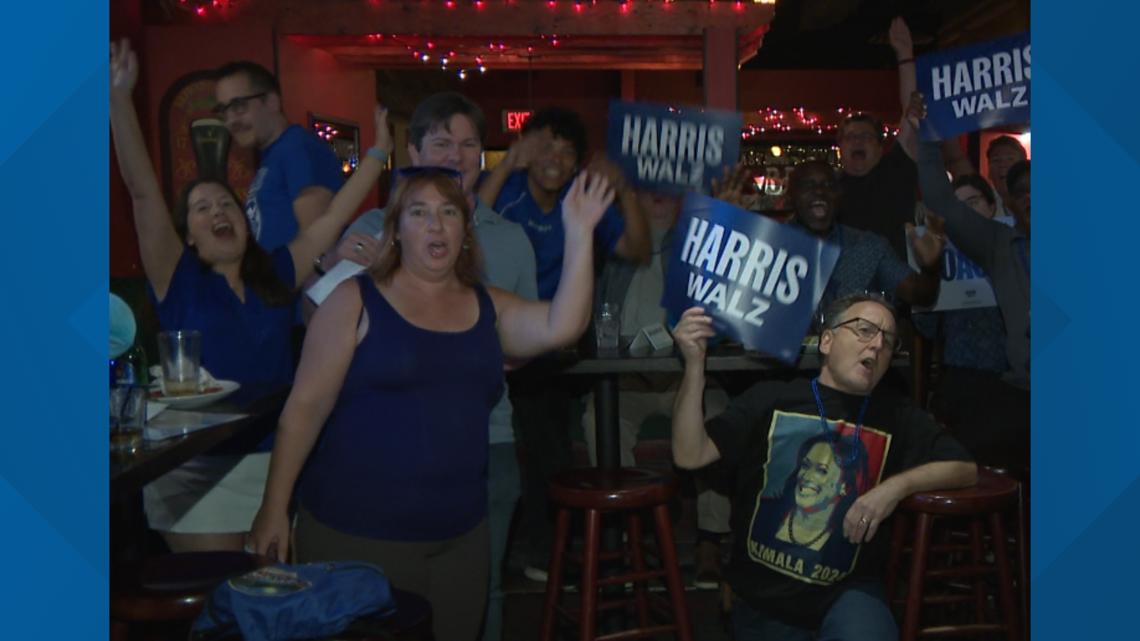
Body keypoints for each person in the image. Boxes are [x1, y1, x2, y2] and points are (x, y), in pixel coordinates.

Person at [248, 166, 615, 641]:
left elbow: (562, 326)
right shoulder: (352, 300)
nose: (435, 224)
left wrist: (580, 232)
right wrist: (274, 506)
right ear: (396, 231)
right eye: (418, 212)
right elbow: (303, 410)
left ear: (465, 232)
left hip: (460, 536)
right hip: (355, 533)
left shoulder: (489, 306)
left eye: (448, 213)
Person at [109, 39, 392, 552]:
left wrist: (377, 153)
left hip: (276, 465)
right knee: (218, 610)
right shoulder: (177, 276)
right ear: (189, 234)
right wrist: (118, 98)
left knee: (271, 606)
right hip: (193, 467)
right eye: (201, 208)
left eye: (226, 203)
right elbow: (143, 189)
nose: (218, 210)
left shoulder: (278, 272)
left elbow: (330, 219)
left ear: (244, 220)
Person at [313, 91, 537, 641]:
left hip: (492, 436)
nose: (457, 157)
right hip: (383, 456)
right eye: (442, 143)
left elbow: (530, 339)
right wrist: (330, 265)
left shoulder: (510, 237)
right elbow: (316, 322)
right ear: (413, 150)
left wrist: (481, 355)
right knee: (391, 602)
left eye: (469, 145)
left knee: (480, 591)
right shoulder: (376, 224)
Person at [671, 293, 977, 641]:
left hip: (849, 594)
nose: (877, 344)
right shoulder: (772, 398)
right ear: (827, 341)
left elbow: (964, 467)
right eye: (864, 329)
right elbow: (688, 454)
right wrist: (695, 364)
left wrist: (893, 489)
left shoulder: (897, 415)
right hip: (766, 598)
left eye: (888, 340)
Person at [477, 106, 650, 580]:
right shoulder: (509, 194)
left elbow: (637, 249)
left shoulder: (581, 199)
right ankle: (540, 550)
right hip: (504, 346)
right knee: (541, 441)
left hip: (566, 347)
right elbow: (471, 222)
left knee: (568, 438)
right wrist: (509, 162)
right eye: (546, 146)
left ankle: (564, 546)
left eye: (567, 150)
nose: (555, 157)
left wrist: (625, 190)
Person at [586, 189, 733, 589]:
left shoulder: (694, 242)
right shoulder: (614, 246)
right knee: (598, 419)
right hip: (627, 379)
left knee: (718, 414)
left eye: (667, 190)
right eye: (648, 189)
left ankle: (709, 539)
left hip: (685, 376)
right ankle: (621, 535)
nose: (658, 198)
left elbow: (723, 309)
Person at [911, 95, 1030, 474]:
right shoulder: (999, 246)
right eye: (1022, 191)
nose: (1033, 196)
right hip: (1023, 393)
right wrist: (928, 135)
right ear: (1008, 204)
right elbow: (941, 200)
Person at [213, 60, 343, 252]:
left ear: (272, 102)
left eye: (239, 106)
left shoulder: (295, 148)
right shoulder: (275, 154)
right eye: (224, 111)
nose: (231, 120)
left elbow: (319, 243)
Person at [787, 159, 944, 317]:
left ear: (839, 195)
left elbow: (920, 295)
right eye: (807, 185)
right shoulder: (767, 246)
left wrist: (931, 267)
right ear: (791, 195)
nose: (820, 191)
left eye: (829, 185)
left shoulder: (867, 246)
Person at [834, 17, 921, 260]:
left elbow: (910, 112)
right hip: (851, 290)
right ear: (840, 146)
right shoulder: (829, 188)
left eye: (865, 136)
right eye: (850, 137)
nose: (858, 141)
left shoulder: (897, 168)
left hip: (902, 287)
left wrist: (905, 55)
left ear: (880, 145)